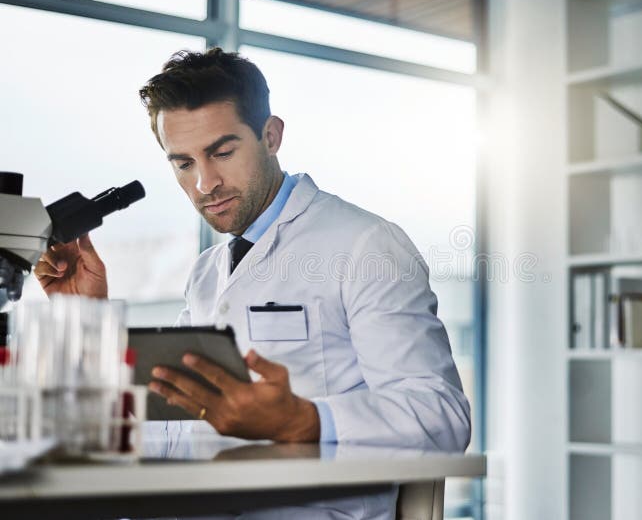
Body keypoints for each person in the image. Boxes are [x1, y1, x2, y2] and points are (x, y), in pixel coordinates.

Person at [33, 48, 470, 518]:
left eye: (222, 152)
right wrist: (85, 318)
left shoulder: (365, 244)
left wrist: (306, 421)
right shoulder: (207, 272)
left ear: (271, 135)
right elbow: (174, 429)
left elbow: (440, 416)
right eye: (183, 163)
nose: (204, 183)